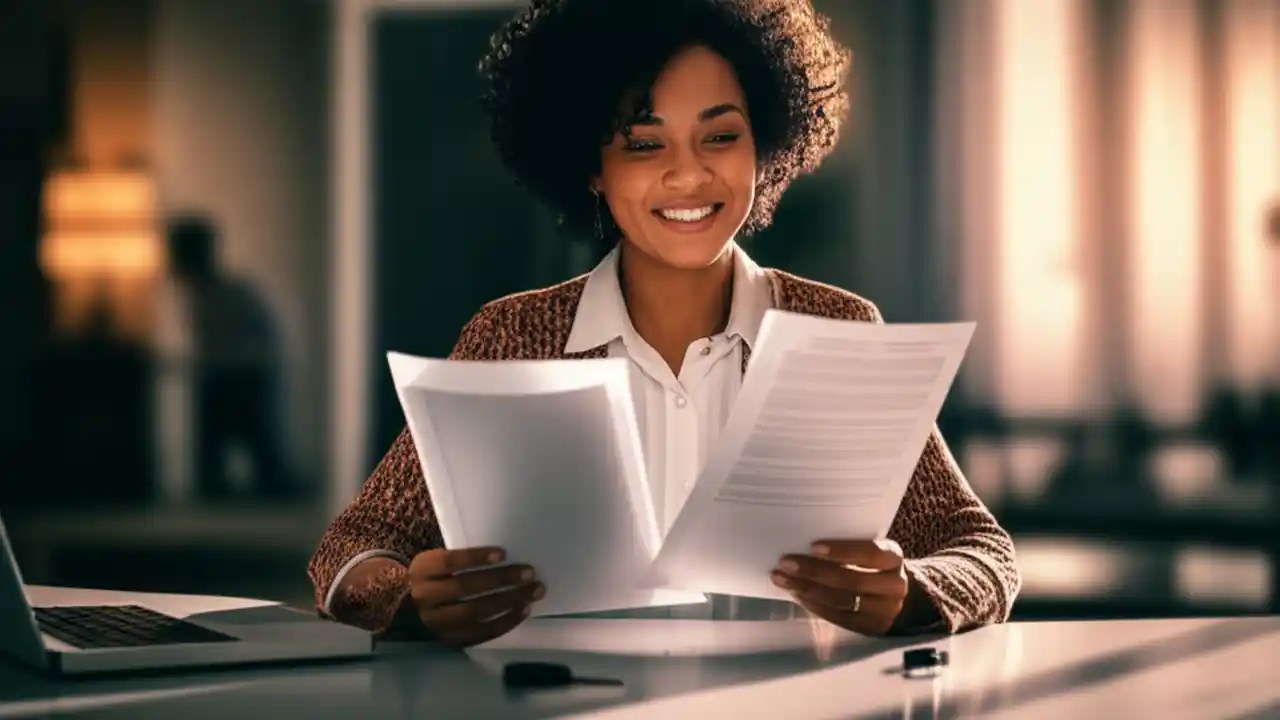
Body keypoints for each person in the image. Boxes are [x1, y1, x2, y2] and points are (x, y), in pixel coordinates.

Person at [309, 0, 1020, 647]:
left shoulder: (835, 326)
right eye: (644, 144)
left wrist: (910, 592)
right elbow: (350, 549)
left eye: (720, 137)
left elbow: (981, 549)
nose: (688, 177)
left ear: (765, 144)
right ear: (592, 165)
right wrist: (407, 598)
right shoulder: (509, 337)